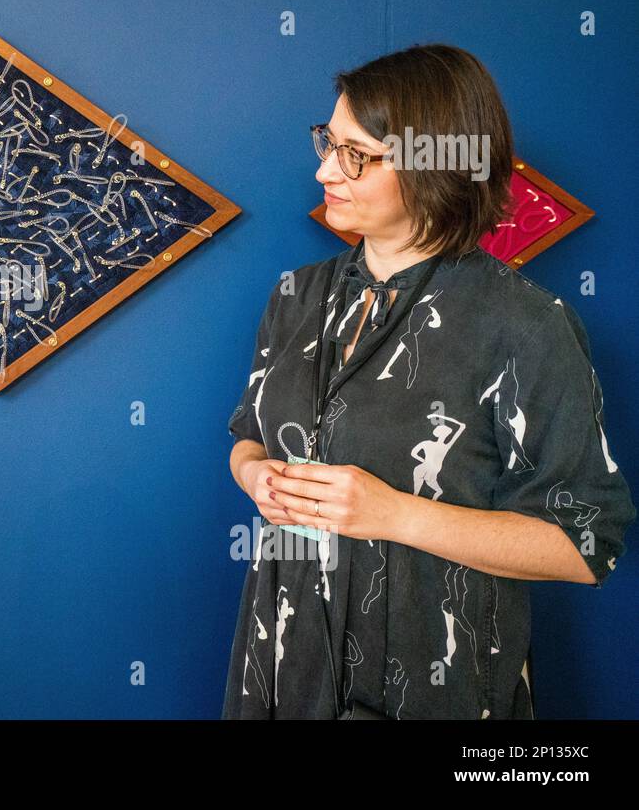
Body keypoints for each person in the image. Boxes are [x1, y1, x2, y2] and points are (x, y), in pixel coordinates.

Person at [221, 44, 635, 719]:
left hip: (436, 684)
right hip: (280, 670)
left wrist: (392, 513)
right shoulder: (295, 296)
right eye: (328, 140)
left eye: (356, 154)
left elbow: (586, 545)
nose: (325, 167)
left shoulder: (527, 324)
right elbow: (248, 434)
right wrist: (254, 476)